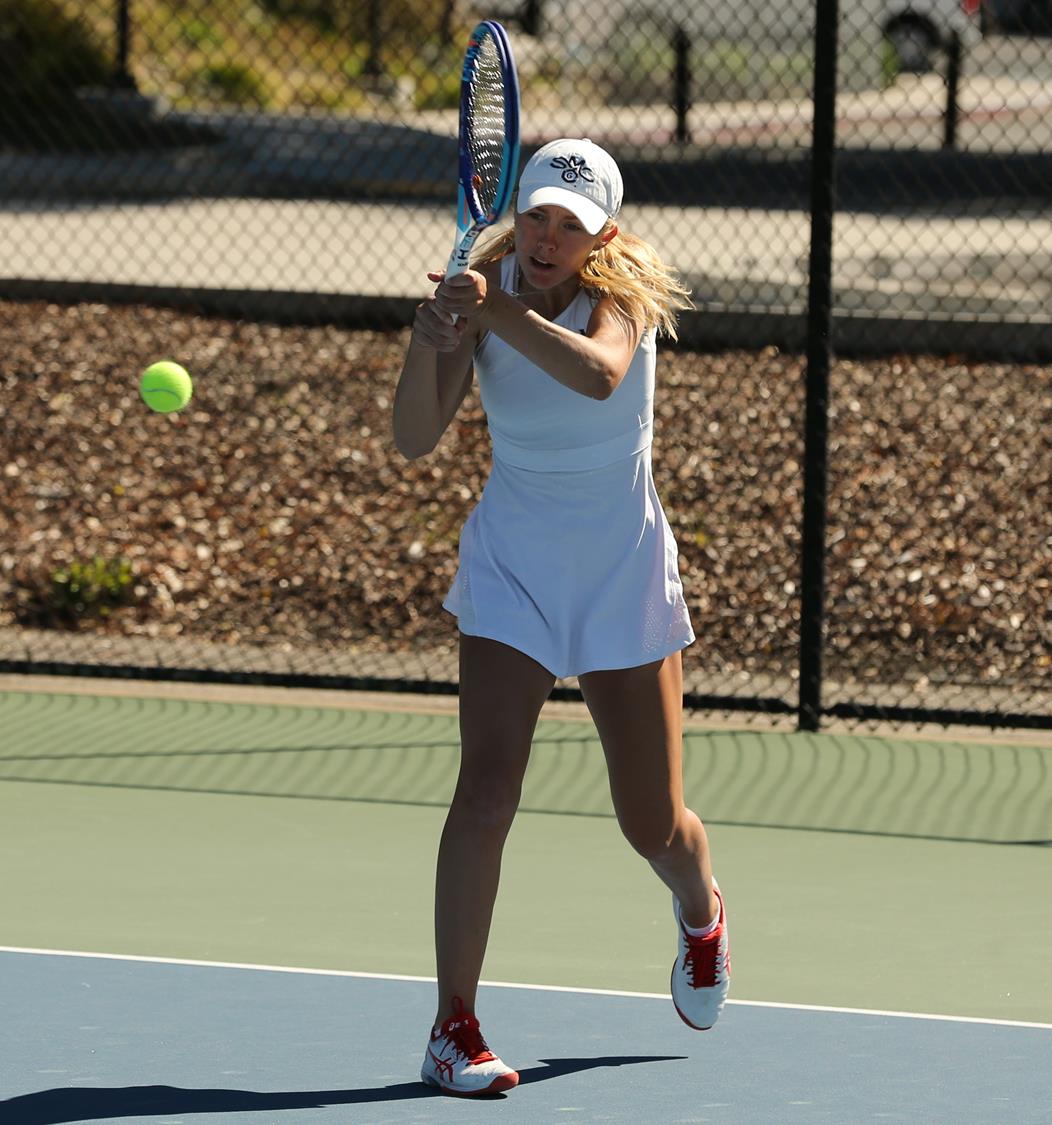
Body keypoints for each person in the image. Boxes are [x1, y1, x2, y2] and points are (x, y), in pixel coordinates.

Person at [392, 137, 729, 1098]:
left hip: (619, 567)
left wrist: (490, 309)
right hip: (515, 565)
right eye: (536, 214)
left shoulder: (621, 299)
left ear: (602, 236)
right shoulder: (484, 283)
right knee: (487, 787)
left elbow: (597, 376)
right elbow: (416, 439)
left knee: (652, 823)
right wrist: (433, 338)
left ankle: (700, 910)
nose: (545, 236)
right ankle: (452, 1025)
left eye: (568, 225)